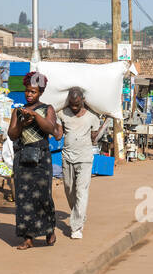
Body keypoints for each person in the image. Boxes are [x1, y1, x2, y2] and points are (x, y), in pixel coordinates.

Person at [7, 70, 61, 249]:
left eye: (33, 92)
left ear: (41, 93)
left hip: (41, 158)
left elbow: (50, 129)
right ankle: (28, 238)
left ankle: (49, 230)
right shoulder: (18, 111)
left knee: (43, 195)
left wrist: (36, 116)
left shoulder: (47, 109)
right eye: (27, 91)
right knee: (23, 199)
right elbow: (12, 134)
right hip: (23, 157)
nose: (29, 95)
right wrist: (22, 123)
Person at [57, 86, 102, 240]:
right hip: (67, 157)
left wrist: (104, 125)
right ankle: (79, 215)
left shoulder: (92, 117)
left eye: (77, 104)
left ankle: (76, 227)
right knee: (69, 190)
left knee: (81, 191)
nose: (74, 108)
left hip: (85, 158)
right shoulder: (62, 114)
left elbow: (94, 136)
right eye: (72, 104)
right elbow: (58, 133)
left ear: (83, 100)